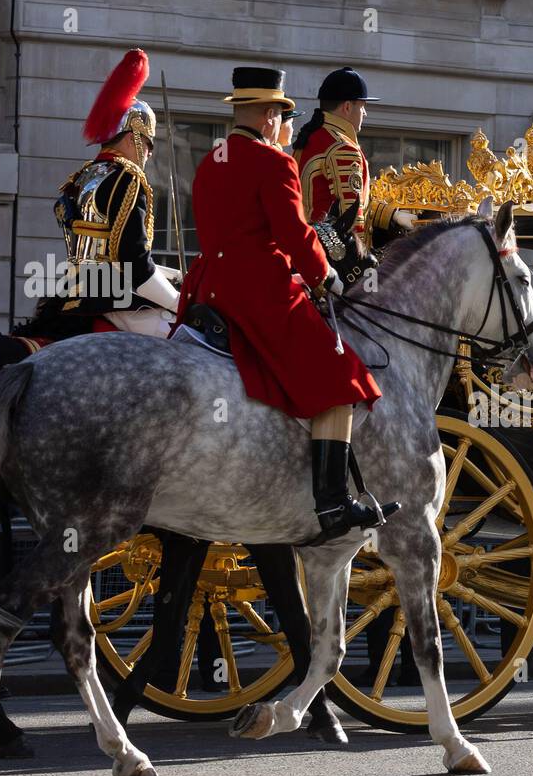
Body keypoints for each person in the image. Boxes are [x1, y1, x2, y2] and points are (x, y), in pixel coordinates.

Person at [179, 66, 398, 541]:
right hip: (258, 290)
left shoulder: (210, 158)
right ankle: (333, 503)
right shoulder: (271, 162)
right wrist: (325, 275)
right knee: (343, 382)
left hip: (208, 288)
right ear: (265, 115)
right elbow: (295, 236)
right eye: (280, 112)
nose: (284, 122)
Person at [44, 49, 180, 340]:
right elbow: (133, 262)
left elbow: (105, 254)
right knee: (192, 338)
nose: (150, 152)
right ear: (133, 136)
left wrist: (176, 276)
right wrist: (178, 302)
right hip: (116, 301)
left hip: (74, 294)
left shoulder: (82, 177)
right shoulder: (126, 177)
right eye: (148, 142)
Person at [291, 67, 415, 245]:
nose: (365, 113)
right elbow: (352, 220)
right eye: (363, 107)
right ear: (347, 107)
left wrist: (391, 215)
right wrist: (362, 265)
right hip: (332, 259)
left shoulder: (311, 138)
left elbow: (350, 201)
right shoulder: (343, 148)